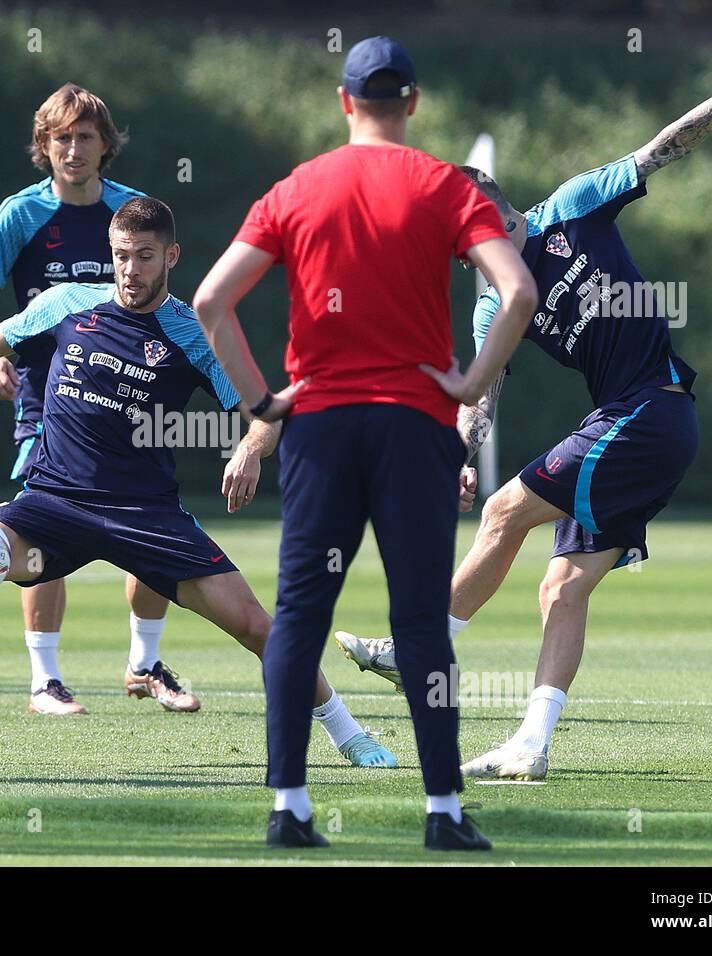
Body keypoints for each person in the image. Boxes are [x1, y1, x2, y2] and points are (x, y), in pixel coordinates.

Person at [335, 36, 712, 782]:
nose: (461, 253)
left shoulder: (572, 209)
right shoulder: (494, 305)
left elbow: (665, 146)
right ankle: (532, 744)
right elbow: (480, 398)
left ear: (489, 200)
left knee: (504, 513)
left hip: (650, 410)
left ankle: (418, 647)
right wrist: (458, 455)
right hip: (639, 424)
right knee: (563, 585)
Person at [0, 197, 398, 771]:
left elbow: (265, 414)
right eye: (121, 256)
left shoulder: (196, 332)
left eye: (145, 257)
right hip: (52, 505)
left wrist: (248, 452)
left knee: (255, 625)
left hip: (145, 515)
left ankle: (350, 735)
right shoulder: (66, 304)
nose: (130, 270)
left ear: (171, 256)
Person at [193, 36, 536, 849]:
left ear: (345, 103)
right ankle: (445, 813)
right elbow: (516, 290)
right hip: (416, 426)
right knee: (420, 621)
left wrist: (263, 403)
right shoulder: (446, 187)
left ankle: (289, 808)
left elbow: (211, 299)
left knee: (302, 615)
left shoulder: (300, 187)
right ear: (411, 104)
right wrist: (471, 382)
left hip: (320, 428)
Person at [0, 83, 187, 716]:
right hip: (48, 396)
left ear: (105, 145)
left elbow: (159, 290)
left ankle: (145, 664)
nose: (73, 148)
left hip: (133, 390)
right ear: (44, 145)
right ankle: (46, 680)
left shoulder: (132, 210)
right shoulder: (19, 215)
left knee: (153, 514)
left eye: (85, 136)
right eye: (61, 137)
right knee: (42, 522)